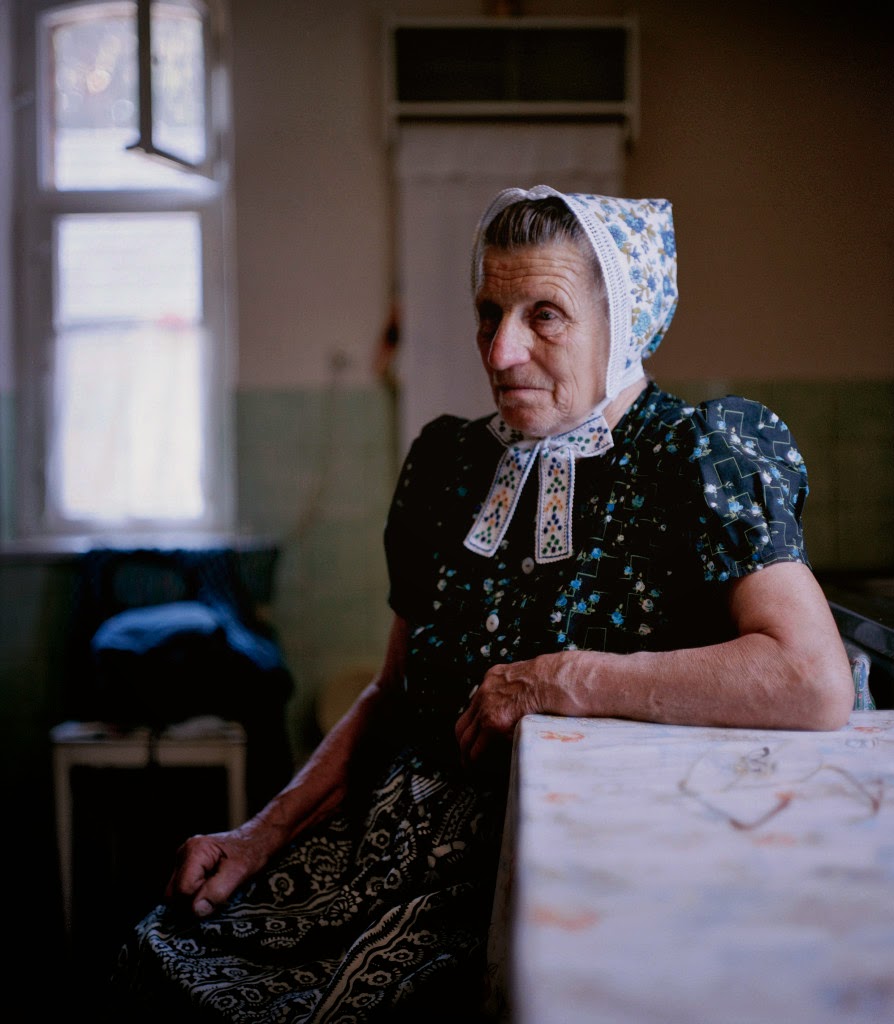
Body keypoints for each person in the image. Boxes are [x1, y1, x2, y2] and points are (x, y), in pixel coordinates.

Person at [109, 185, 854, 1022]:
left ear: (625, 321)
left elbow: (810, 677)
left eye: (545, 315)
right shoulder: (449, 464)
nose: (501, 352)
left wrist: (555, 680)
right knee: (154, 956)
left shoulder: (693, 456)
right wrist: (260, 834)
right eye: (489, 313)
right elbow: (394, 696)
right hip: (374, 856)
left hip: (537, 878)